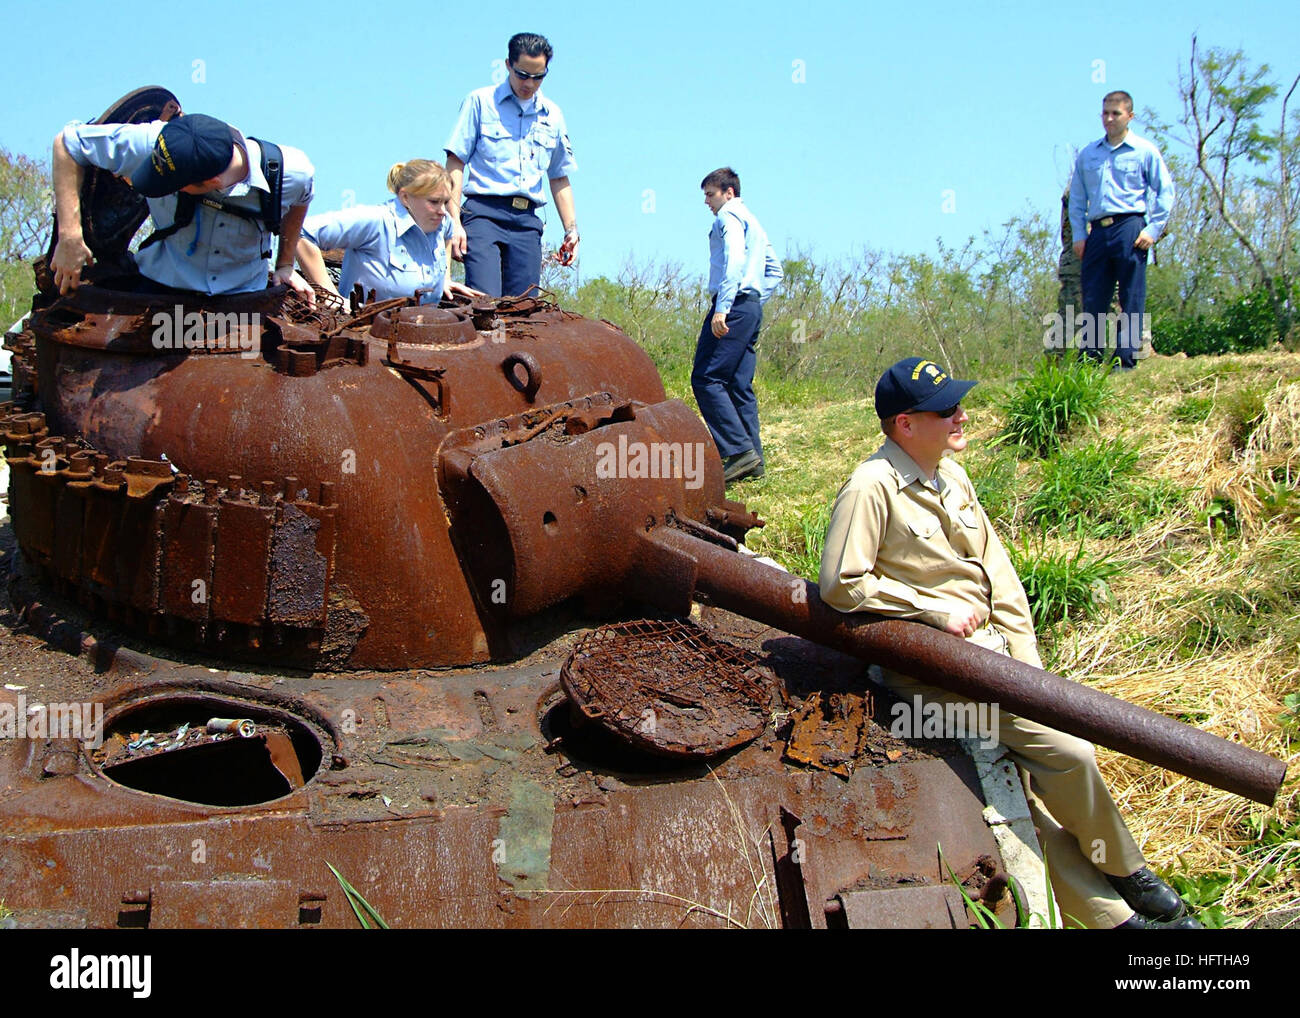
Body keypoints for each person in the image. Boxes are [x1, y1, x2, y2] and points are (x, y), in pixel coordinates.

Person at [818, 357, 1201, 929]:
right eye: (946, 410)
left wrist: (1031, 668)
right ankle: (1128, 873)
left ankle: (1118, 921)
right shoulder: (871, 487)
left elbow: (999, 576)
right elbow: (840, 583)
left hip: (997, 662)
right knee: (1070, 753)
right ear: (905, 424)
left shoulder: (953, 476)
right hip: (937, 676)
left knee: (1026, 803)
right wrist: (931, 609)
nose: (960, 416)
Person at [51, 111, 316, 303]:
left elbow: (301, 199)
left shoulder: (290, 172)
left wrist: (285, 264)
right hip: (159, 291)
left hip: (245, 300)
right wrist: (70, 236)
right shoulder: (150, 142)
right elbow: (67, 143)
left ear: (209, 183)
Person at [443, 32, 579, 297]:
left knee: (525, 311)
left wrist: (571, 230)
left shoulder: (553, 115)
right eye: (522, 74)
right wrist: (454, 222)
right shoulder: (480, 102)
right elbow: (454, 163)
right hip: (483, 216)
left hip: (526, 223)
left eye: (538, 77)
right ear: (508, 65)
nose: (530, 83)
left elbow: (559, 176)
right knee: (484, 304)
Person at [1067, 91, 1174, 369]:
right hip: (1098, 232)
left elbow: (1165, 191)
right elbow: (1077, 199)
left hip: (1131, 227)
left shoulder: (1144, 150)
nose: (1109, 119)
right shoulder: (1089, 154)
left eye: (1116, 113)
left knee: (1131, 296)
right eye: (1105, 113)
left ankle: (1125, 360)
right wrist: (1079, 235)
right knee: (1093, 298)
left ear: (1130, 116)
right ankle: (1089, 360)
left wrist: (1153, 229)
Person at [692, 167, 783, 484]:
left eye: (710, 194)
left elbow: (732, 261)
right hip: (749, 307)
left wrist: (726, 306)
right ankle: (753, 461)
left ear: (728, 192)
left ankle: (738, 451)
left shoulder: (727, 217)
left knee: (707, 378)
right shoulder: (754, 221)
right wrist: (753, 297)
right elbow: (775, 271)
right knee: (738, 384)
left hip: (732, 307)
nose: (706, 202)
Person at [296, 159, 481, 305]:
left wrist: (444, 279)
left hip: (425, 333)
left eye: (445, 202)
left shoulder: (442, 222)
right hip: (366, 334)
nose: (442, 210)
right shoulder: (375, 221)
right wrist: (331, 298)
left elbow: (448, 234)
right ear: (405, 197)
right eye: (434, 202)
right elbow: (301, 232)